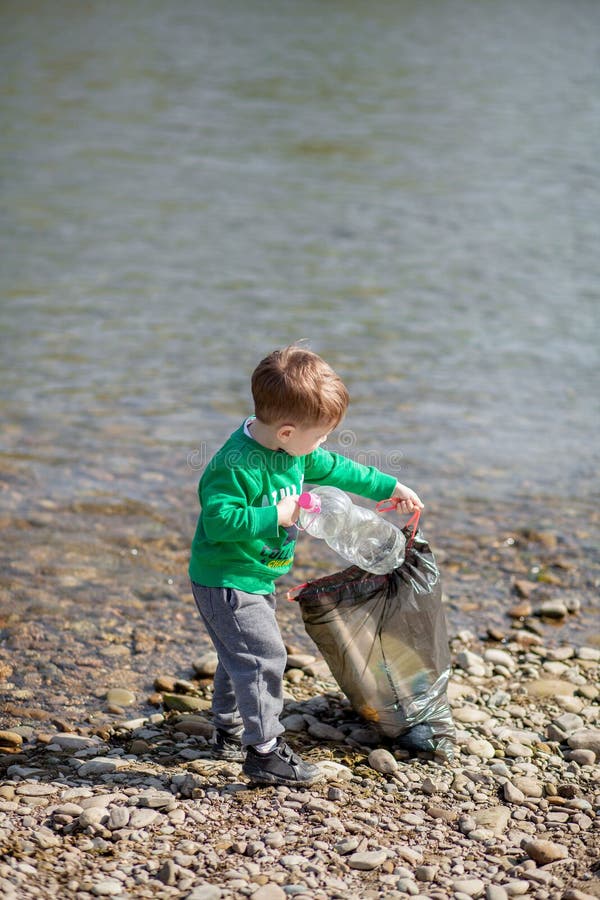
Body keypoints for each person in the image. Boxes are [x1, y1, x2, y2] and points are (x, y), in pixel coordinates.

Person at [189, 344, 423, 786]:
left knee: (237, 653)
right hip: (226, 579)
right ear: (286, 432)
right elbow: (219, 522)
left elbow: (337, 468)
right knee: (264, 657)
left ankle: (228, 727)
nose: (322, 445)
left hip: (255, 575)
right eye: (319, 436)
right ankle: (264, 753)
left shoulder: (293, 449)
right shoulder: (233, 466)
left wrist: (390, 485)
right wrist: (276, 515)